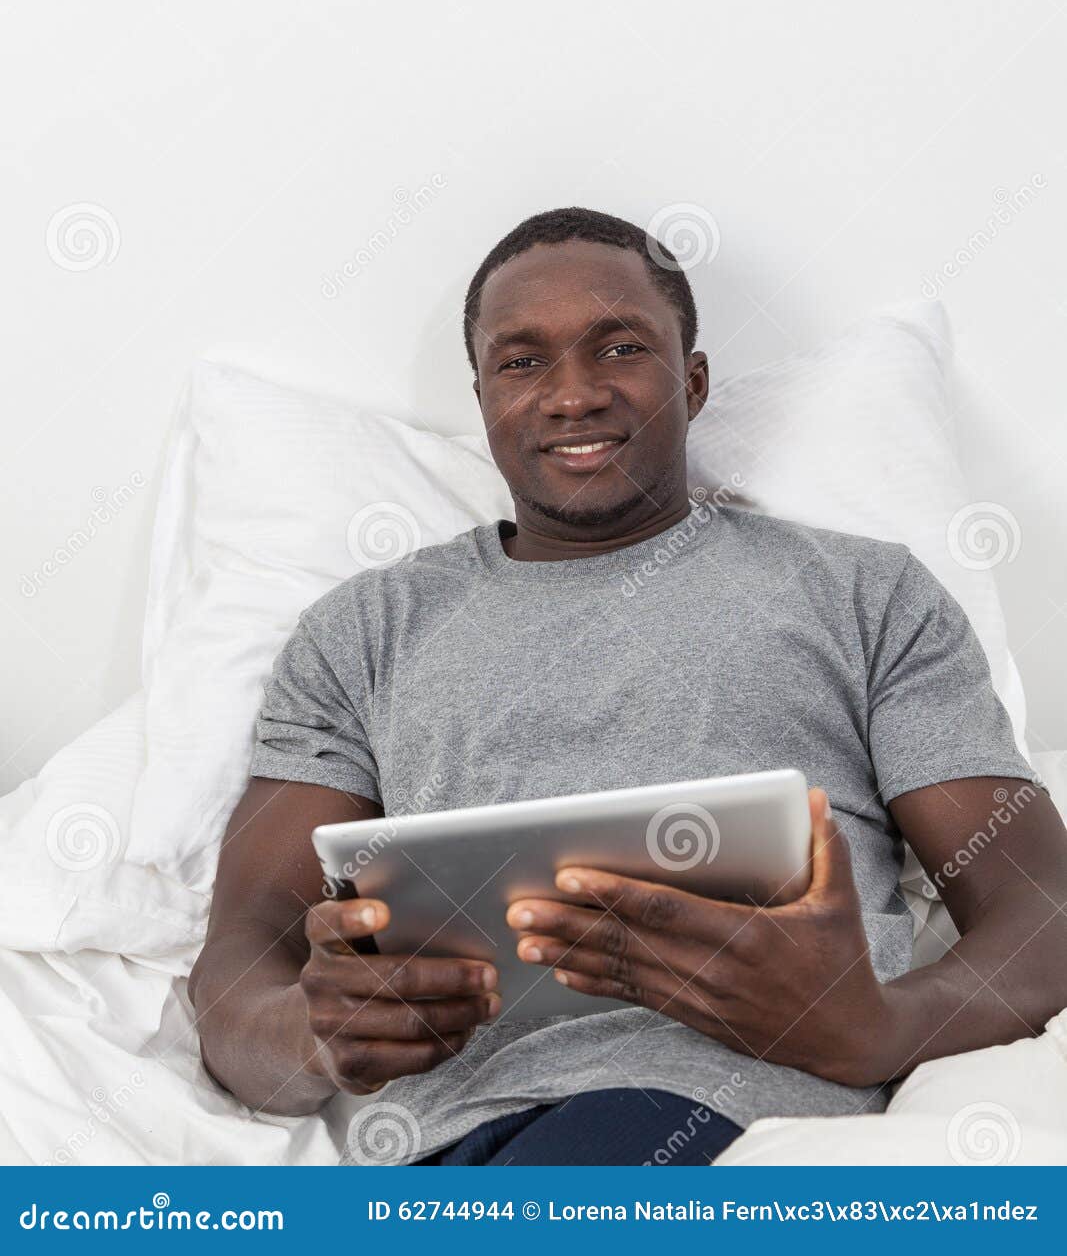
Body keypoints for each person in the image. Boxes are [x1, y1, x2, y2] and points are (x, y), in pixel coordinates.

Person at [189, 206, 1067, 1166]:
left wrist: (877, 1028)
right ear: (482, 397)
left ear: (691, 382)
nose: (573, 395)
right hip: (459, 1149)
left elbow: (1039, 908)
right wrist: (317, 1034)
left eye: (618, 348)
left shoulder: (865, 593)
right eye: (522, 362)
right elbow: (240, 971)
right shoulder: (361, 633)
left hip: (736, 1132)